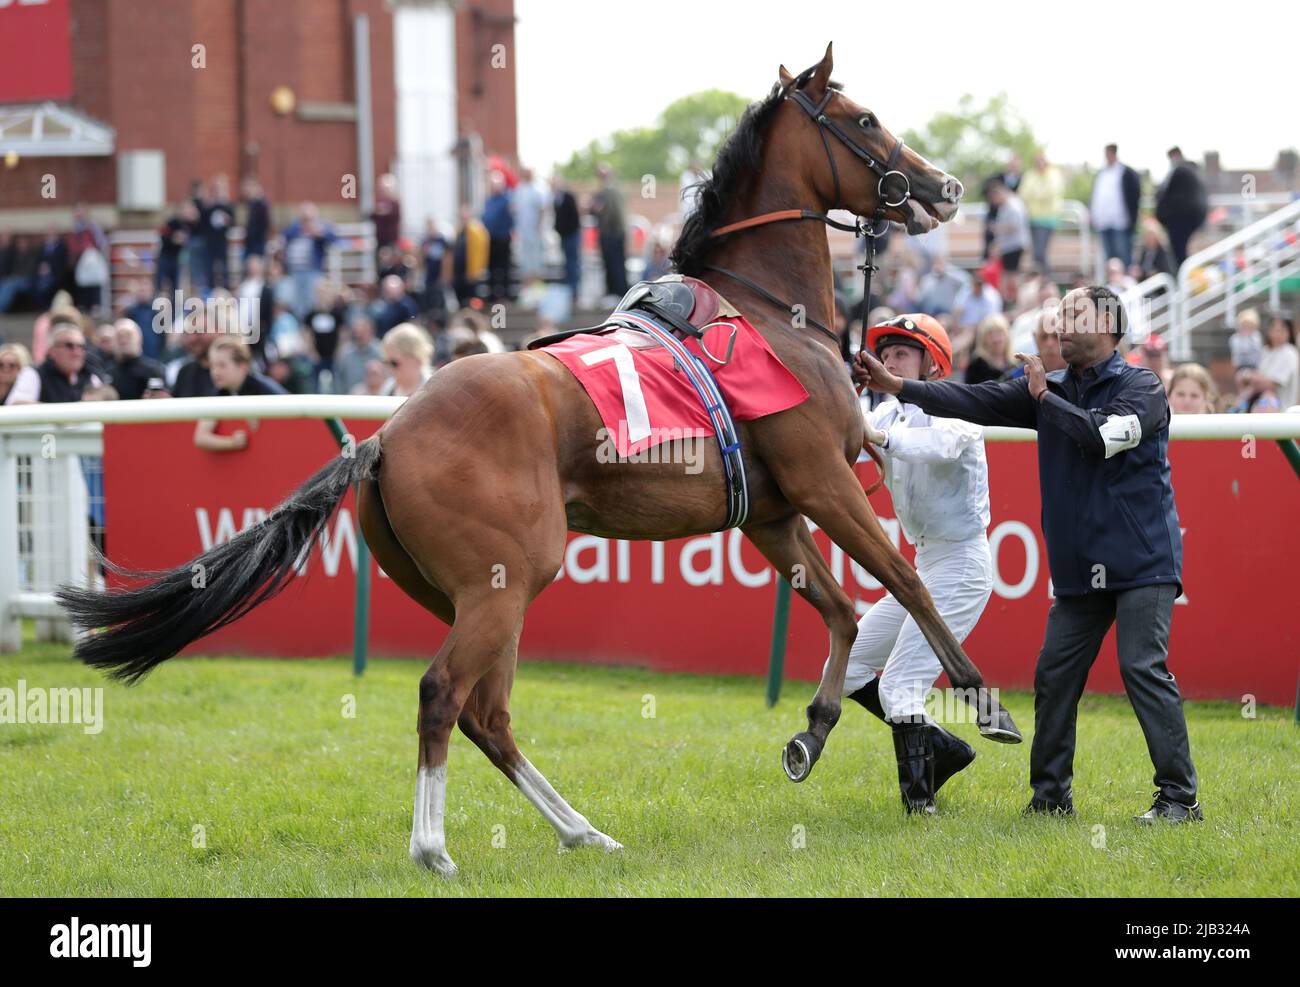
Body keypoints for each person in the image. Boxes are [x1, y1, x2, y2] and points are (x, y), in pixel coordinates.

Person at [854, 285, 1201, 823]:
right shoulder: (1052, 384)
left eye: (1074, 313)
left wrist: (1042, 399)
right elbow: (968, 400)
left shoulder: (1143, 387)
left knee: (1141, 669)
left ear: (1110, 324)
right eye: (1059, 313)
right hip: (1079, 571)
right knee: (1055, 678)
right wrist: (898, 385)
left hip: (1142, 562)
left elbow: (1097, 439)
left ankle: (1179, 799)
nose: (1059, 321)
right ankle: (1049, 801)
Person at [834, 313, 1000, 814]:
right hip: (921, 568)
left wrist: (874, 434)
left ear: (933, 365)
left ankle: (919, 807)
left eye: (901, 353)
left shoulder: (957, 414)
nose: (888, 361)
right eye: (884, 354)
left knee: (900, 685)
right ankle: (944, 749)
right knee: (847, 668)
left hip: (961, 567)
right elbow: (847, 441)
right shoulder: (888, 416)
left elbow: (937, 446)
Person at [194, 336, 287, 452]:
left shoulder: (266, 390)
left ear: (243, 366)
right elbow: (200, 438)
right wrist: (231, 443)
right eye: (213, 366)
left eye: (222, 365)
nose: (215, 372)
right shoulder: (219, 393)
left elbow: (292, 424)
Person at [32, 321, 115, 403]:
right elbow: (21, 405)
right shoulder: (34, 373)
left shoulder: (90, 376)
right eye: (69, 345)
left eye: (81, 346)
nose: (76, 352)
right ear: (52, 350)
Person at [1155, 147, 1208, 270]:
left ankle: (1183, 277)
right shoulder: (1189, 171)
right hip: (1186, 218)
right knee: (1180, 251)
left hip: (1181, 219)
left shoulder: (1181, 171)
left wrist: (1164, 211)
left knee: (1179, 252)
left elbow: (1169, 195)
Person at [1090, 144, 1142, 268]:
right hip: (1104, 221)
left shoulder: (1126, 172)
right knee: (1110, 259)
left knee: (1124, 257)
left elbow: (1134, 196)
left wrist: (1132, 219)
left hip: (1121, 222)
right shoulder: (1102, 174)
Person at [1018, 153, 1064, 274]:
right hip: (1032, 219)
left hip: (1047, 219)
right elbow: (1023, 193)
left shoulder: (1054, 174)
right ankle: (1040, 279)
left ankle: (1046, 279)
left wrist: (1034, 195)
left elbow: (1050, 193)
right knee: (1035, 254)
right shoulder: (1030, 175)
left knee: (1040, 252)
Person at [1246, 314, 1299, 411]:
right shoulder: (1265, 351)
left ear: (1289, 332)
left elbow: (1272, 384)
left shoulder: (1289, 352)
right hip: (1258, 401)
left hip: (1281, 408)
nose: (1277, 334)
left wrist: (1251, 376)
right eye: (1274, 329)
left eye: (1281, 330)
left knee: (1268, 397)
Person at [590, 164, 628, 300]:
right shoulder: (617, 187)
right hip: (616, 231)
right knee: (616, 263)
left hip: (611, 232)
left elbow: (601, 210)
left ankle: (616, 293)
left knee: (613, 264)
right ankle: (617, 292)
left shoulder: (607, 190)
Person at [108, 319, 168, 400]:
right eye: (119, 337)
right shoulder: (108, 372)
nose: (123, 341)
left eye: (128, 336)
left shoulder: (154, 370)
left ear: (139, 339)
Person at [512, 167, 547, 292]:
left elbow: (542, 209)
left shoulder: (537, 189)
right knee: (525, 262)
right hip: (523, 231)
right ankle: (527, 289)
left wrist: (538, 226)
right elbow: (515, 208)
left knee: (536, 261)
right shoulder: (519, 189)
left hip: (534, 231)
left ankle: (537, 289)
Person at [481, 171, 514, 302]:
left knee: (505, 267)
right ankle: (492, 294)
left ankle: (505, 293)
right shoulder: (489, 200)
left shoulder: (507, 199)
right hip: (490, 239)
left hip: (503, 238)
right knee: (491, 268)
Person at [380, 322, 434, 398]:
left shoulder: (434, 391)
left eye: (394, 363)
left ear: (416, 358)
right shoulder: (388, 389)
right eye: (386, 362)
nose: (390, 368)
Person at [334, 313, 384, 395]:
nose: (359, 335)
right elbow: (338, 379)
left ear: (371, 331)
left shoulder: (381, 351)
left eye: (362, 331)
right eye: (356, 332)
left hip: (376, 400)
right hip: (349, 401)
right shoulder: (345, 353)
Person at [552, 174, 582, 302]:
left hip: (571, 235)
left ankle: (574, 289)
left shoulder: (568, 197)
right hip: (564, 235)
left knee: (572, 263)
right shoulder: (556, 199)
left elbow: (574, 217)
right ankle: (569, 289)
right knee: (567, 263)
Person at [965, 314, 1013, 384]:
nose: (995, 339)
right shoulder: (976, 365)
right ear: (983, 339)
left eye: (999, 333)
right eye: (990, 334)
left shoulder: (1015, 362)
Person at [241, 177, 271, 260]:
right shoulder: (251, 204)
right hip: (250, 243)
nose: (245, 191)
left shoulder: (261, 204)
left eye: (247, 187)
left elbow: (265, 225)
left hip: (257, 244)